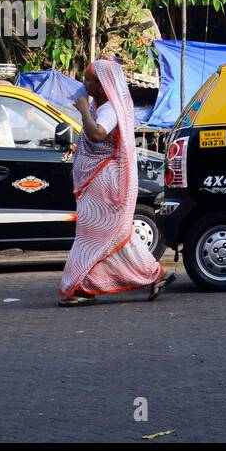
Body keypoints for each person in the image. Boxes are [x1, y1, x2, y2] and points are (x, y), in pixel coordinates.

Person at [59, 59, 172, 306]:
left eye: (89, 79)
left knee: (93, 234)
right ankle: (155, 273)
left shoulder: (109, 109)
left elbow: (98, 134)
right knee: (114, 234)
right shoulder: (103, 105)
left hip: (106, 181)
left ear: (102, 85)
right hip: (99, 180)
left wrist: (84, 112)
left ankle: (80, 286)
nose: (84, 83)